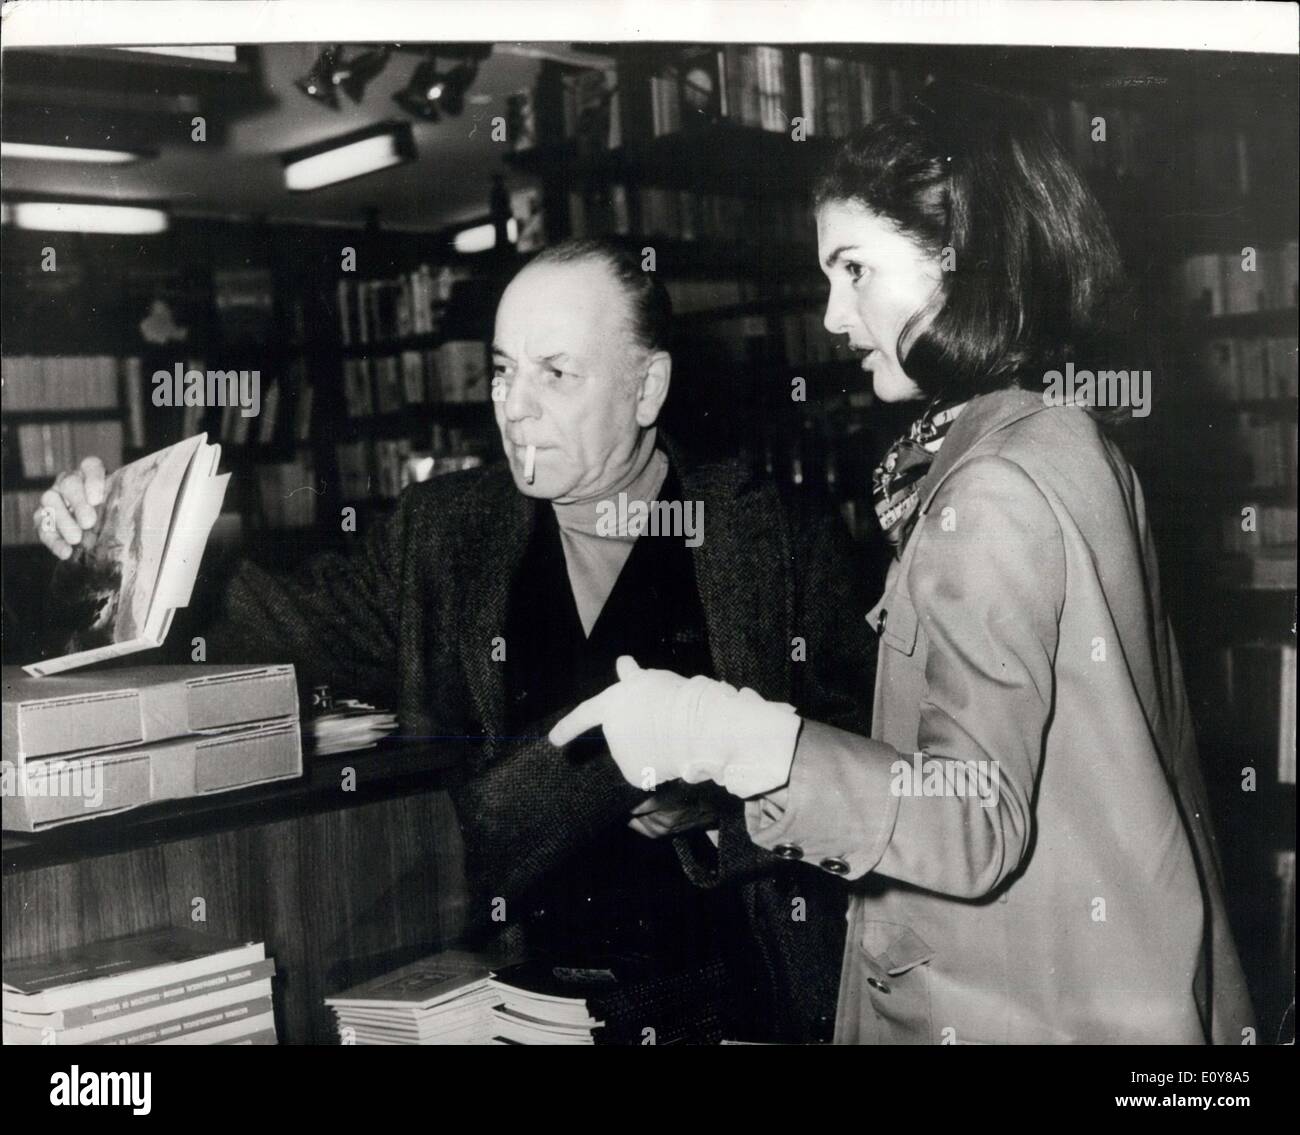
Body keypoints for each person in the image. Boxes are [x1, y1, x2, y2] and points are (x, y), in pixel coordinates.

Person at [32, 238, 878, 1044]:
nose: (513, 406)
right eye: (504, 370)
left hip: (734, 989)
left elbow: (863, 760)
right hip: (500, 1000)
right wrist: (110, 546)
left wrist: (724, 811)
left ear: (648, 388)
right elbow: (266, 625)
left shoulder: (773, 539)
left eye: (555, 373)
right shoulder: (444, 533)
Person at [550, 92, 1255, 1044]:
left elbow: (973, 820)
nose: (835, 315)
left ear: (967, 258)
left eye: (855, 268)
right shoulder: (1061, 440)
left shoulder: (995, 487)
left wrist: (727, 733)